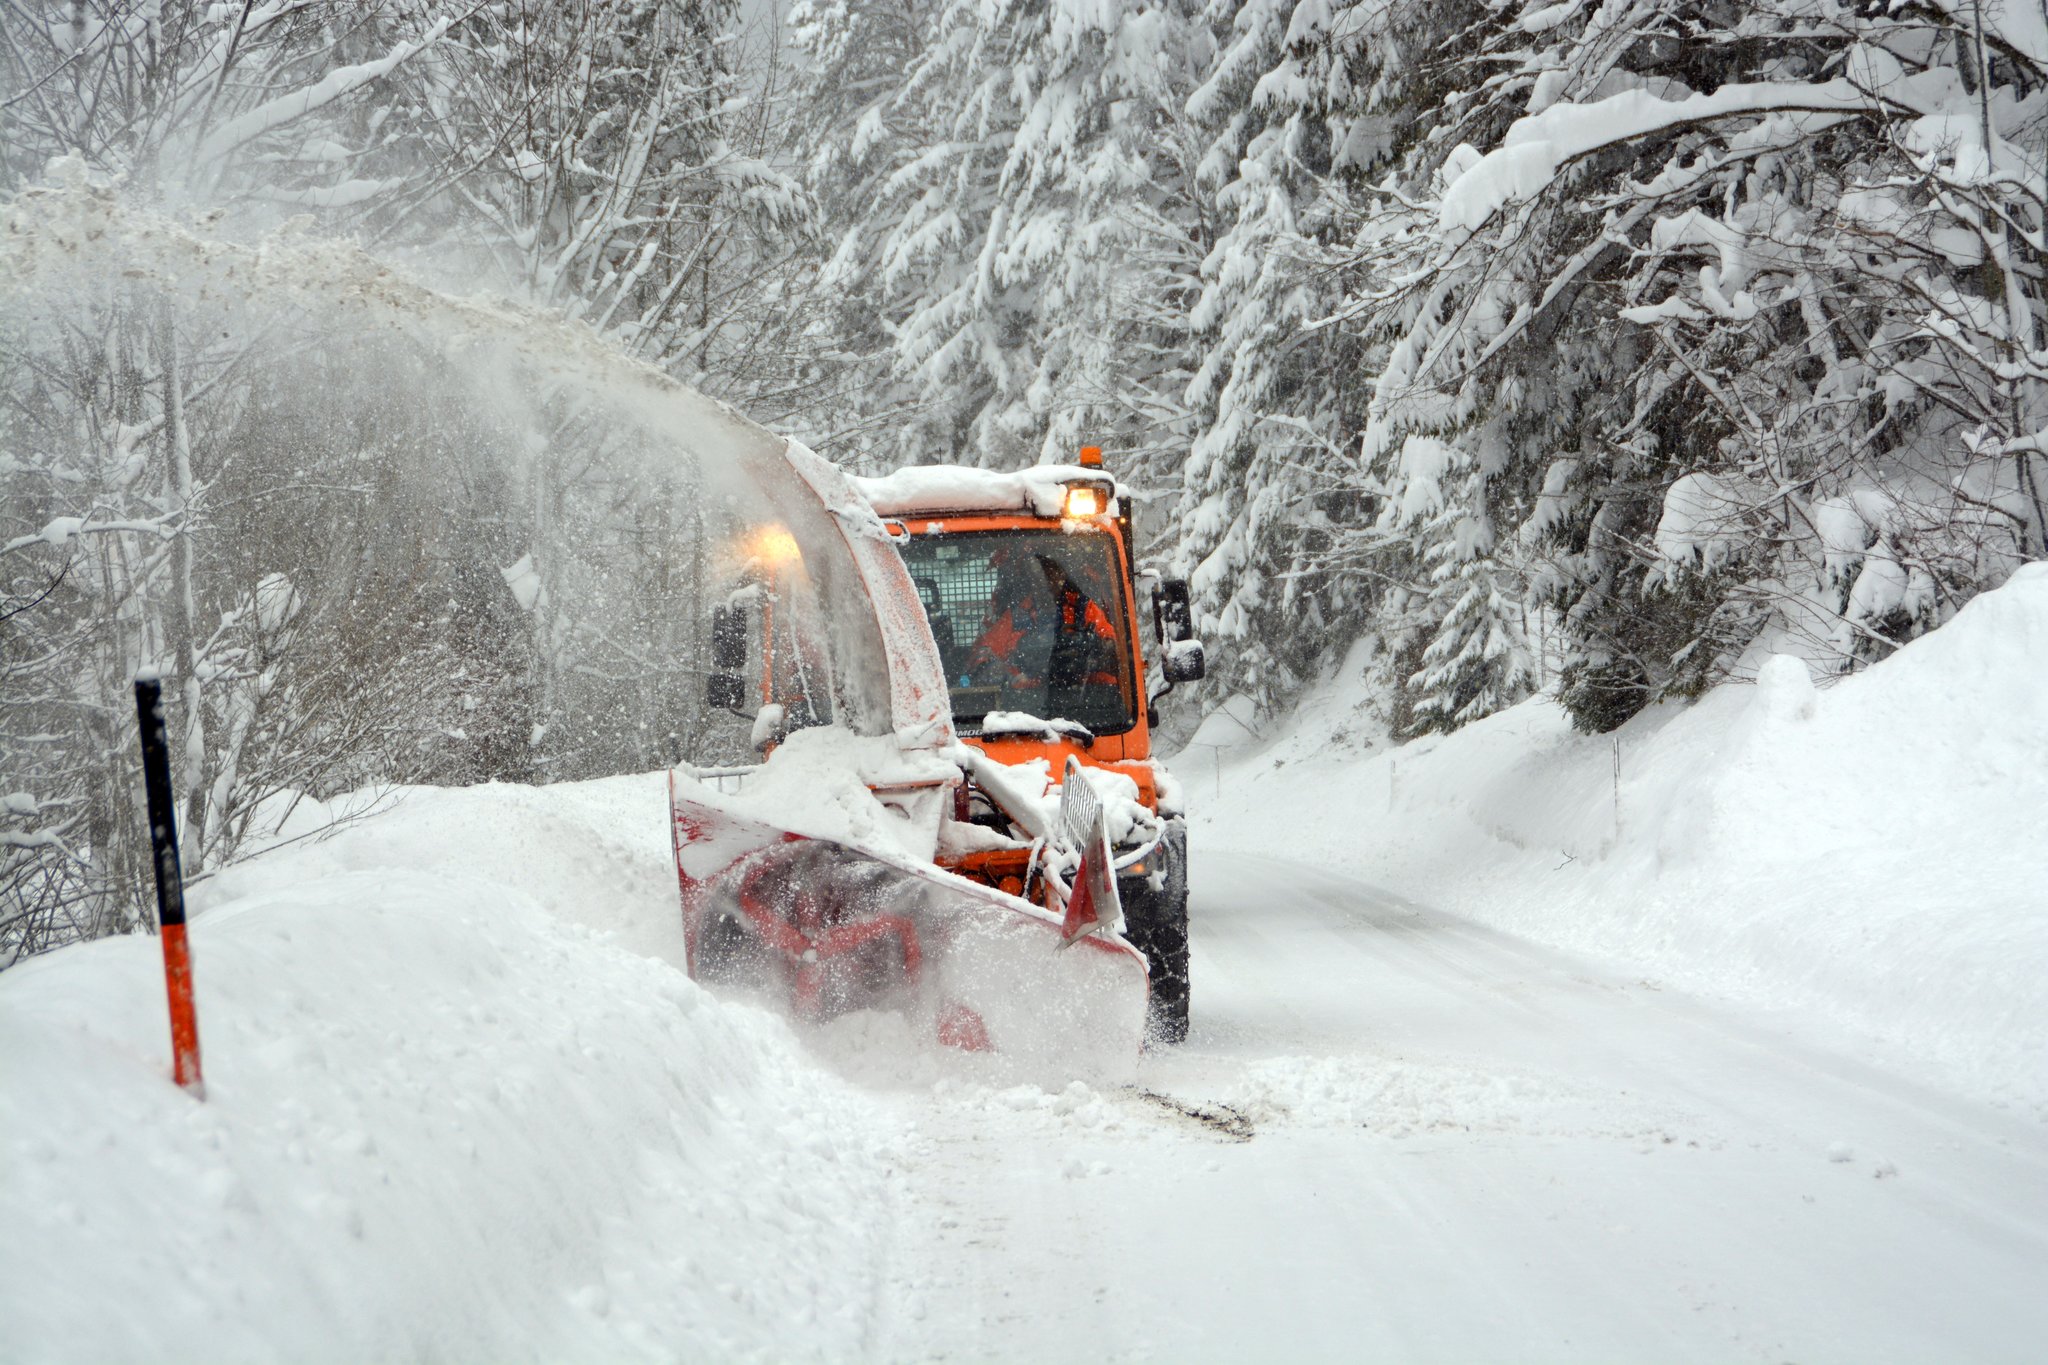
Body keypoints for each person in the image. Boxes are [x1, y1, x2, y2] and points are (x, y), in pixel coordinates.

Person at [965, 550, 1117, 695]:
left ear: (1062, 577)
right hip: (1025, 702)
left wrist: (1091, 652)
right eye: (1039, 577)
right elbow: (983, 655)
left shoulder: (1082, 608)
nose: (1046, 583)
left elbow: (1113, 650)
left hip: (1080, 698)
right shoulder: (1017, 616)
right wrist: (1002, 670)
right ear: (1031, 582)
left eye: (1050, 577)